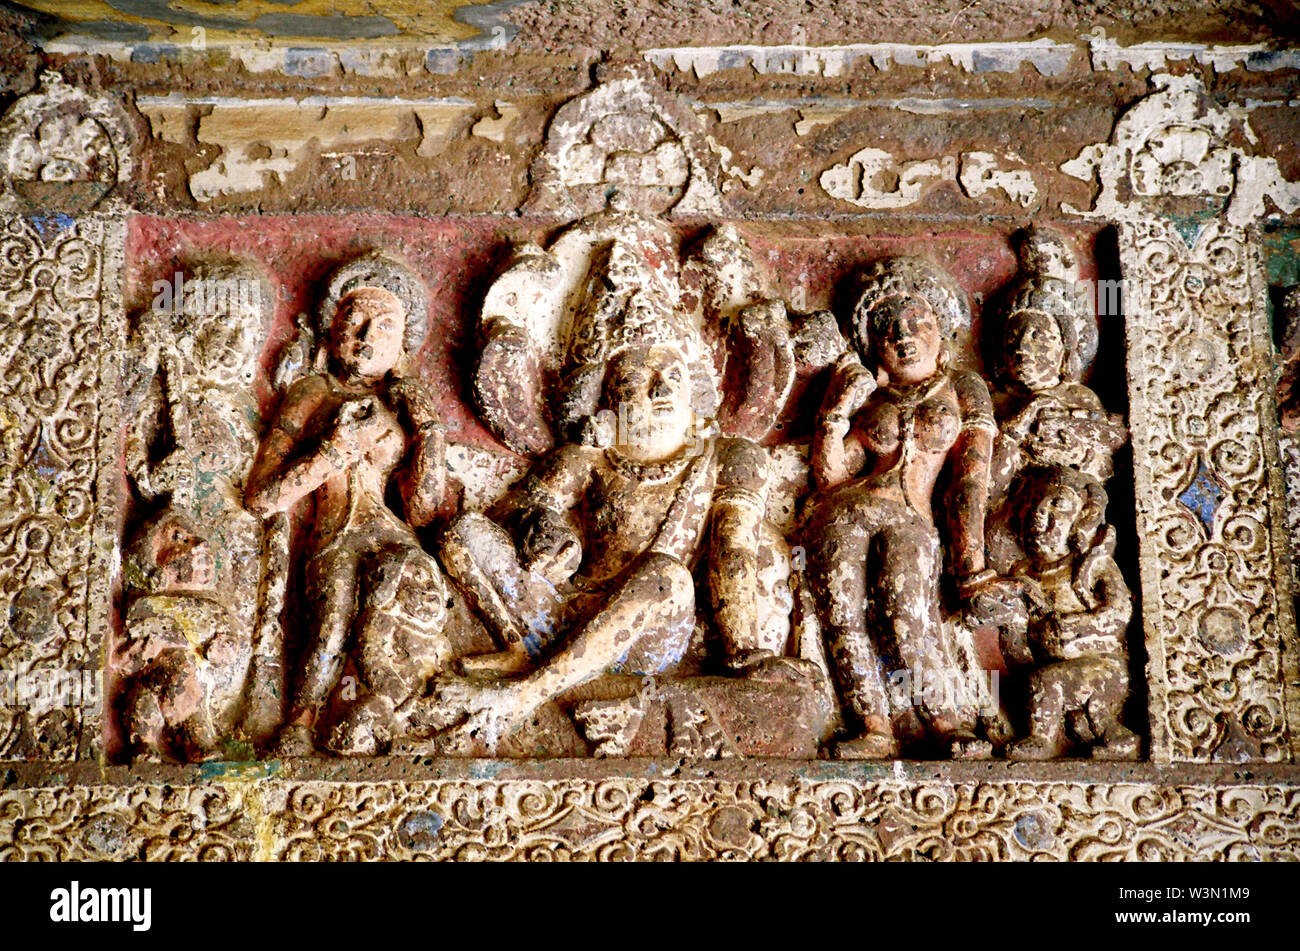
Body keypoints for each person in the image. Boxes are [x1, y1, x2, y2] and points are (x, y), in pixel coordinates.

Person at [430, 340, 802, 752]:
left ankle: (522, 695)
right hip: (563, 616)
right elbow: (518, 507)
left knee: (666, 576)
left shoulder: (729, 458)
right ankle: (523, 651)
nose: (660, 393)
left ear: (693, 396)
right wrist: (542, 525)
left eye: (672, 380)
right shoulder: (587, 457)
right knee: (463, 532)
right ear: (607, 401)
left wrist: (744, 650)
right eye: (636, 381)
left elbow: (734, 549)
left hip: (652, 630)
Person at [244, 274, 448, 756]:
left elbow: (420, 511)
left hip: (394, 537)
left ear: (401, 345)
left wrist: (430, 432)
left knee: (388, 597)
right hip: (333, 534)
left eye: (384, 327)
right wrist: (334, 451)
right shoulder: (311, 393)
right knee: (332, 615)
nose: (365, 337)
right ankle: (300, 723)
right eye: (354, 321)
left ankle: (391, 706)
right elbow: (262, 499)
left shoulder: (399, 406)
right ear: (330, 331)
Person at [804, 257, 995, 758]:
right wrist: (834, 413)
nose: (903, 336)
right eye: (888, 330)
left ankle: (944, 722)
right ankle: (873, 726)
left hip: (914, 516)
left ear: (941, 331)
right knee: (842, 613)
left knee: (906, 612)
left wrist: (971, 565)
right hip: (845, 510)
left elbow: (971, 480)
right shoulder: (870, 399)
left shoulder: (962, 388)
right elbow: (832, 478)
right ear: (873, 344)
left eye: (917, 324)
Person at [970, 467, 1138, 760]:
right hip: (1049, 667)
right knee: (1032, 686)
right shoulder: (1024, 573)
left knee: (1049, 684)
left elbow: (1120, 610)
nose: (1038, 512)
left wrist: (1079, 623)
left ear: (1080, 519)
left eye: (1056, 504)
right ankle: (1111, 737)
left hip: (1101, 666)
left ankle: (1042, 740)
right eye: (1033, 502)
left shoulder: (1089, 565)